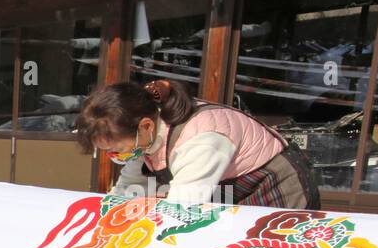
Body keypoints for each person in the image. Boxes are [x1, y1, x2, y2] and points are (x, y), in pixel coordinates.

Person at [74, 79, 319, 209]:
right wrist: (109, 210)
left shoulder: (202, 139)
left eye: (118, 149)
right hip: (230, 189)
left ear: (146, 126)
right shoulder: (144, 132)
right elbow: (131, 183)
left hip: (276, 187)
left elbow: (182, 208)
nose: (115, 156)